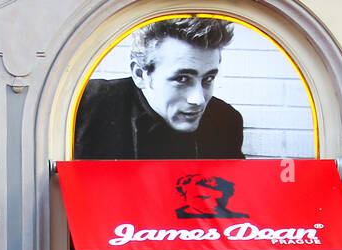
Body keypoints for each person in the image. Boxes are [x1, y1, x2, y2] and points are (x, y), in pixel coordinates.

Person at [73, 16, 245, 160]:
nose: (198, 100)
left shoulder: (227, 122)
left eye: (208, 78)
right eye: (182, 78)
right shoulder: (83, 104)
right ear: (140, 74)